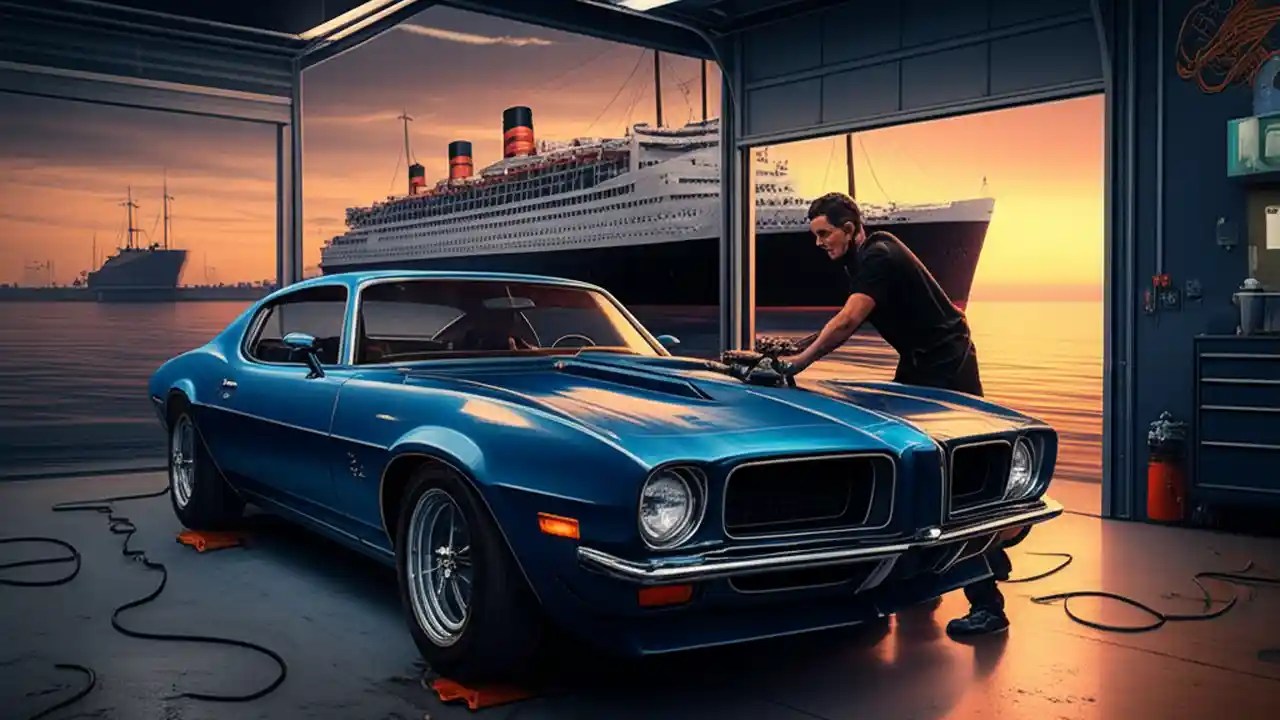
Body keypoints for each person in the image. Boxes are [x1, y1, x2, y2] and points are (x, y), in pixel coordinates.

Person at [779, 191, 1011, 638]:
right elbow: (846, 317)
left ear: (849, 228)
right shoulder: (865, 256)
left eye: (824, 233)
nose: (819, 243)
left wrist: (798, 364)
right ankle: (973, 561)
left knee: (946, 483)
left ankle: (988, 603)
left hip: (945, 364)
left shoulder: (879, 256)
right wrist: (797, 344)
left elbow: (848, 321)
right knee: (928, 472)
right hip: (923, 361)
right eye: (815, 235)